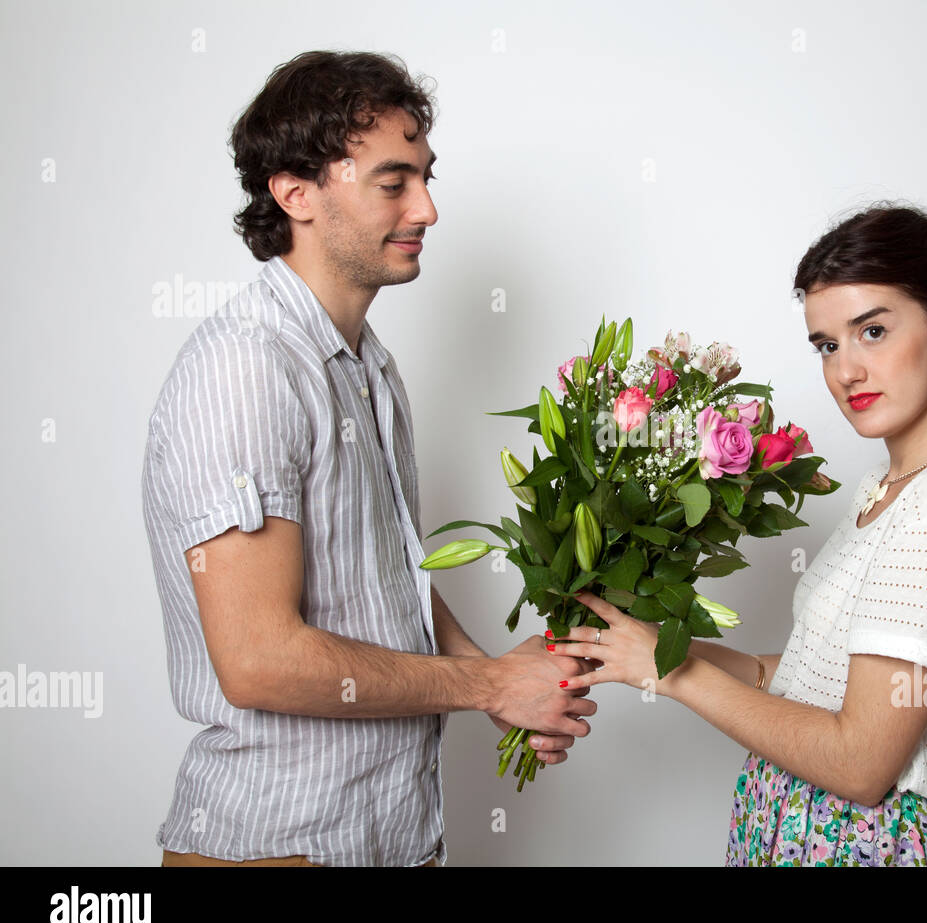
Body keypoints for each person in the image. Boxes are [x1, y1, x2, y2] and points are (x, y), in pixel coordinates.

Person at [550, 202, 927, 866]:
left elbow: (860, 763)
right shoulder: (892, 492)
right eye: (827, 344)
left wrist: (671, 675)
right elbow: (794, 678)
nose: (845, 369)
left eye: (873, 331)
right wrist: (647, 647)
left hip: (873, 848)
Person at [140, 50, 594, 867]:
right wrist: (487, 686)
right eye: (394, 182)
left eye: (425, 176)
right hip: (276, 847)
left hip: (393, 840)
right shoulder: (248, 367)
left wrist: (498, 681)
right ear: (296, 192)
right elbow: (257, 660)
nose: (427, 205)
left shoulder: (370, 367)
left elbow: (391, 580)